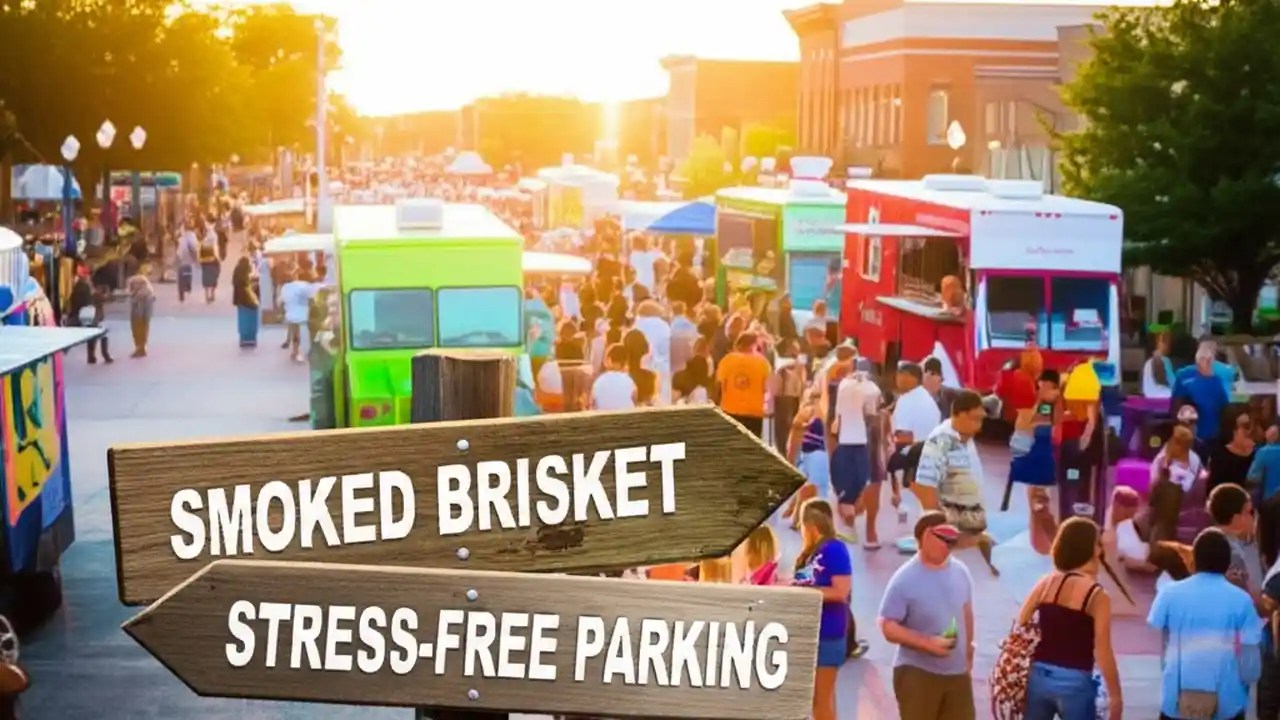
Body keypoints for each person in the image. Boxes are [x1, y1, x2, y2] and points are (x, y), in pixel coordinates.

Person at [1147, 527, 1261, 720]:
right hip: (1228, 703)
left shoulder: (1169, 593)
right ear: (1227, 563)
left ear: (1194, 560)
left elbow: (1161, 633)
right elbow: (1250, 664)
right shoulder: (1242, 601)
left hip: (1176, 700)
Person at [1018, 517, 1122, 720]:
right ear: (1090, 549)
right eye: (1097, 544)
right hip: (1075, 680)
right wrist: (1116, 695)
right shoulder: (1097, 595)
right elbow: (1102, 650)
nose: (1101, 550)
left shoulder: (1046, 583)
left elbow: (1021, 624)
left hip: (1038, 676)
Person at [878, 511, 976, 720]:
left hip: (957, 674)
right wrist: (927, 643)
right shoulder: (904, 579)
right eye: (942, 538)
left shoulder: (961, 572)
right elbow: (887, 625)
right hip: (918, 673)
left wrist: (968, 655)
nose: (948, 545)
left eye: (951, 539)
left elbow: (966, 612)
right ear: (924, 537)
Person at [913, 390, 1000, 575]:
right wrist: (940, 536)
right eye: (974, 419)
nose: (978, 427)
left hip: (969, 536)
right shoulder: (940, 441)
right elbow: (924, 488)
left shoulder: (965, 439)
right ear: (957, 414)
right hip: (952, 541)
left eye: (981, 420)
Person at [792, 499, 853, 720]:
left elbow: (840, 591)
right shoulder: (810, 554)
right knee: (818, 699)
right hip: (810, 634)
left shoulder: (834, 549)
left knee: (821, 700)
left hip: (828, 633)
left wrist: (804, 593)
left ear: (810, 526)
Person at [831, 355, 882, 543]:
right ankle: (866, 531)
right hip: (866, 444)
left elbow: (836, 420)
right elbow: (873, 416)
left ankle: (851, 526)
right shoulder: (872, 389)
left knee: (847, 491)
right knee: (868, 484)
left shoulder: (843, 386)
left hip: (847, 443)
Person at [1172, 341, 1231, 445]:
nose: (1208, 362)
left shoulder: (1218, 379)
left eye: (1210, 359)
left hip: (1213, 435)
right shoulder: (1184, 375)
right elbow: (1175, 404)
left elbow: (1224, 407)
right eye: (1205, 359)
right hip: (1190, 434)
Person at [715, 331, 771, 437]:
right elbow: (766, 389)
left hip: (730, 410)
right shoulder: (763, 363)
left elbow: (718, 386)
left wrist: (715, 406)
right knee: (751, 446)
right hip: (754, 412)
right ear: (755, 345)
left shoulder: (727, 360)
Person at [590, 343, 637, 411]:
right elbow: (634, 399)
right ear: (625, 362)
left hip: (604, 418)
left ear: (609, 360)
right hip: (626, 418)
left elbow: (592, 402)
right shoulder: (629, 381)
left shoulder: (599, 381)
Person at [125, 262, 155, 358]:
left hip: (138, 309)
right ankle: (142, 346)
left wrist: (131, 295)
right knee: (144, 326)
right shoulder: (148, 290)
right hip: (146, 309)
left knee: (136, 327)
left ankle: (139, 347)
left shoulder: (133, 280)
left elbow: (130, 292)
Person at [231, 256, 259, 349]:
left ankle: (243, 338)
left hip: (239, 300)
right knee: (250, 318)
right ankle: (251, 338)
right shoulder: (245, 277)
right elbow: (248, 287)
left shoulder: (237, 272)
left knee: (242, 319)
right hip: (247, 299)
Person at [196, 218, 221, 303]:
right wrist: (217, 257)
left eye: (208, 224)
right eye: (206, 224)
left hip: (205, 258)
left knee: (206, 276)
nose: (207, 225)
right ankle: (211, 294)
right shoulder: (212, 235)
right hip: (212, 258)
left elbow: (200, 245)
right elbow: (215, 247)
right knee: (213, 276)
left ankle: (208, 295)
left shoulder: (207, 235)